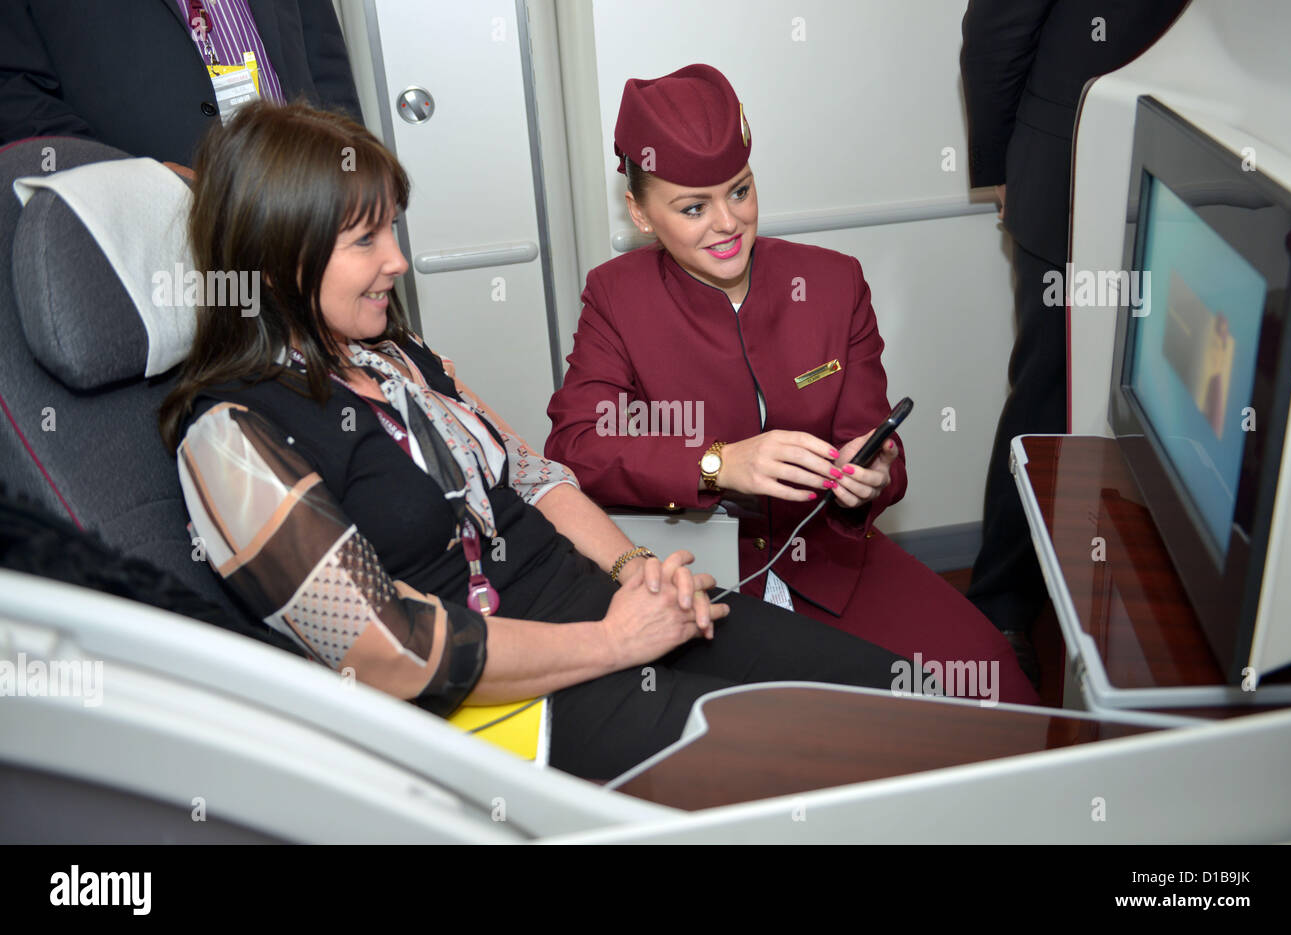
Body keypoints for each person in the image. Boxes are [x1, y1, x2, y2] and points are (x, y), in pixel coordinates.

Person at [159, 101, 918, 782]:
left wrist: (637, 571)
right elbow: (391, 650)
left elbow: (529, 474)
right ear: (280, 260)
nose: (396, 258)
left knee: (903, 704)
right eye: (366, 240)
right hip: (510, 698)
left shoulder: (394, 356)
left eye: (392, 226)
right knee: (819, 764)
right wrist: (616, 642)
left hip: (602, 607)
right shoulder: (229, 438)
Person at [544, 64, 1037, 706]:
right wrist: (721, 464)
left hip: (829, 555)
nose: (728, 223)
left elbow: (879, 447)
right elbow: (576, 448)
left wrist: (871, 478)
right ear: (639, 212)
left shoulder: (832, 284)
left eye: (740, 191)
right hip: (697, 576)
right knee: (790, 739)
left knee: (995, 685)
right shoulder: (616, 298)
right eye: (694, 207)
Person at [960, 0, 1188, 681]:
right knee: (1049, 393)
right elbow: (996, 30)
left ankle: (1141, 614)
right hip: (1070, 170)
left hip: (1200, 171)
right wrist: (1005, 168)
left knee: (1171, 406)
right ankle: (1000, 602)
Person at [0, 0, 361, 168]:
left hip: (309, 208)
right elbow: (17, 90)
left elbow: (323, 56)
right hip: (165, 243)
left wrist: (357, 177)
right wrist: (126, 184)